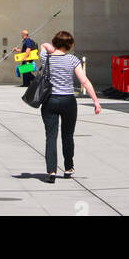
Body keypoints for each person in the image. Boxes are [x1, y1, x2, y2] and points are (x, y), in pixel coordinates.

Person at [37, 30, 102, 182]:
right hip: (68, 101)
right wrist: (96, 101)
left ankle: (51, 171)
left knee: (51, 137)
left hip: (49, 100)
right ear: (70, 44)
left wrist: (52, 49)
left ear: (55, 42)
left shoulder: (46, 58)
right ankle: (68, 168)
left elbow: (43, 45)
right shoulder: (73, 60)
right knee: (67, 135)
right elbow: (84, 81)